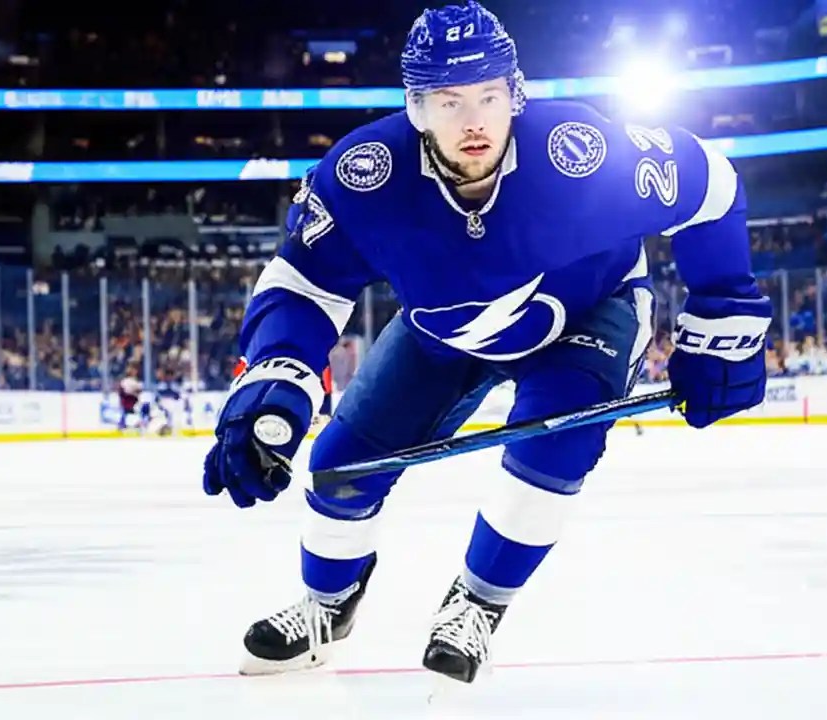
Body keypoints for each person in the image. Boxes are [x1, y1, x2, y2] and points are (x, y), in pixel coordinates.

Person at [202, 0, 769, 684]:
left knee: (553, 442)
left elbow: (714, 185)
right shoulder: (365, 176)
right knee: (340, 464)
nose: (473, 120)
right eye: (448, 101)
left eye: (489, 96)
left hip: (587, 317)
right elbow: (304, 282)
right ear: (416, 108)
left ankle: (476, 601)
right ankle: (328, 604)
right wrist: (279, 372)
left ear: (515, 95)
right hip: (447, 329)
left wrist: (723, 321)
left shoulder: (582, 157)